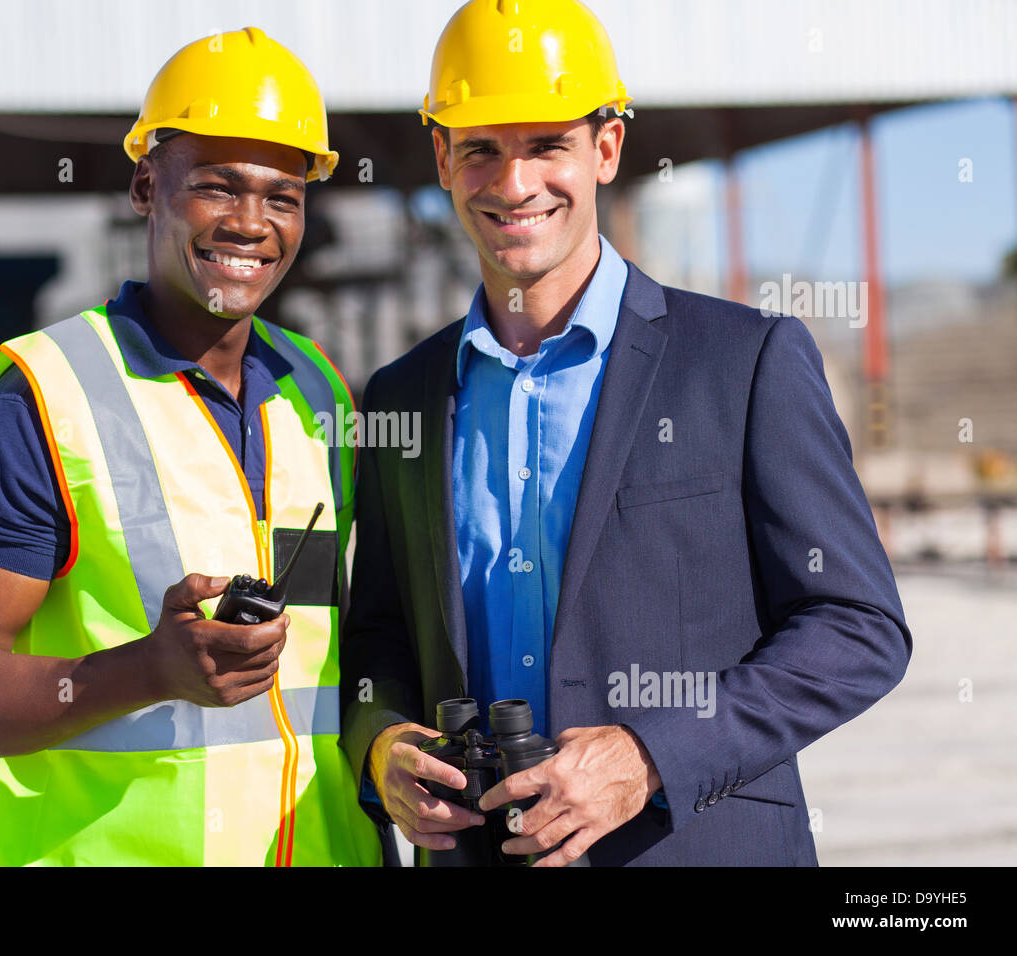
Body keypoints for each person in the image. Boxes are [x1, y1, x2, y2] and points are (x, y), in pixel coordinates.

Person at [340, 0, 911, 866]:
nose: (514, 183)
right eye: (482, 148)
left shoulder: (743, 361)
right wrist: (381, 746)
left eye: (547, 146)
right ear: (442, 158)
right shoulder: (403, 397)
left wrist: (652, 757)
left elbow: (857, 625)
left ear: (606, 148)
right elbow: (380, 637)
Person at [0, 26, 381, 867]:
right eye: (217, 188)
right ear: (145, 186)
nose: (251, 224)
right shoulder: (45, 401)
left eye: (283, 196)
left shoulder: (317, 393)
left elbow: (326, 650)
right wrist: (147, 670)